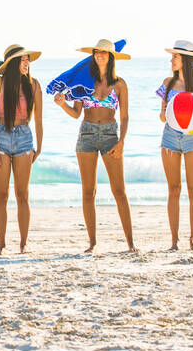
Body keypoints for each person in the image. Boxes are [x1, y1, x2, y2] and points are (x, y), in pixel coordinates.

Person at [52, 39, 136, 253]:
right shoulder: (84, 82)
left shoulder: (120, 84)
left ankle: (130, 243)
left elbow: (125, 116)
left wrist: (122, 142)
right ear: (93, 55)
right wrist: (63, 105)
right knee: (88, 192)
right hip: (87, 134)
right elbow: (76, 113)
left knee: (119, 191)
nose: (100, 55)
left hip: (110, 135)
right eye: (97, 52)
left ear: (111, 57)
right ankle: (92, 243)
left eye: (105, 53)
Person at [0, 44, 43, 254]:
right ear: (13, 62)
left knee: (22, 194)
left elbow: (39, 120)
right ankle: (1, 244)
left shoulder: (33, 85)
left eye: (27, 60)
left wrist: (39, 146)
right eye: (23, 60)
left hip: (25, 138)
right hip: (1, 136)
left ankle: (24, 244)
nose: (27, 63)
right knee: (1, 195)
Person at [156, 39, 193, 251]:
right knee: (174, 189)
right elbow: (162, 116)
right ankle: (174, 241)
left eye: (175, 57)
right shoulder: (167, 83)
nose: (171, 60)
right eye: (172, 56)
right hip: (170, 138)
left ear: (186, 60)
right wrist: (164, 115)